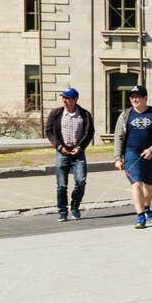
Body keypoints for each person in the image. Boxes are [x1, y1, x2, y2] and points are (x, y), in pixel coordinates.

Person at [112, 85, 152, 229]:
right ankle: (140, 215)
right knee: (136, 184)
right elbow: (118, 137)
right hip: (131, 153)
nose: (134, 99)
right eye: (132, 97)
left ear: (145, 98)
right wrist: (118, 158)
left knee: (149, 185)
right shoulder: (125, 115)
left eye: (137, 96)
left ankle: (147, 207)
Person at [44, 86, 94, 222]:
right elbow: (48, 131)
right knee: (61, 185)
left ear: (75, 99)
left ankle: (75, 206)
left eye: (68, 98)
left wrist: (80, 147)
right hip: (62, 152)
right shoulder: (56, 113)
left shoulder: (84, 114)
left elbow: (89, 132)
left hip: (78, 153)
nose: (64, 100)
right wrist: (59, 147)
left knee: (81, 181)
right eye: (63, 97)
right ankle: (62, 211)